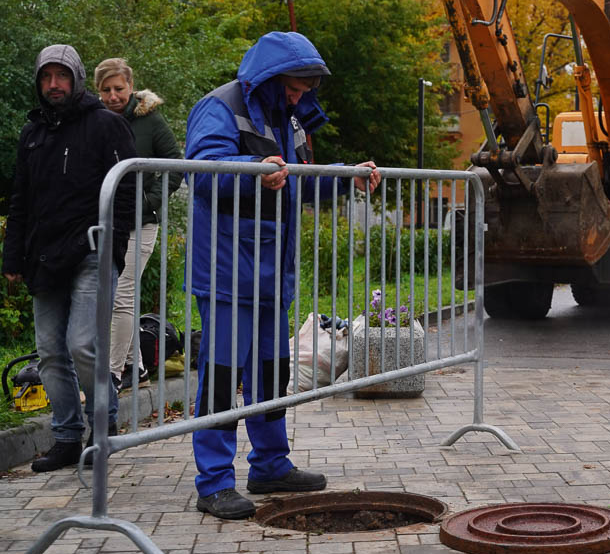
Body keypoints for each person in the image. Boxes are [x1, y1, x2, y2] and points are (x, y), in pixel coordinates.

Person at [185, 31, 380, 520]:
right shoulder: (220, 107)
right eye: (293, 88)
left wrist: (346, 175)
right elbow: (203, 173)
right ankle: (214, 481)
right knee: (222, 376)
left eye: (303, 90)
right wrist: (254, 168)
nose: (299, 97)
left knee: (271, 375)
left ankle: (270, 464)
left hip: (272, 275)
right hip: (228, 270)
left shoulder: (284, 116)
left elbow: (297, 182)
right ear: (270, 78)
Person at [2, 45, 135, 472]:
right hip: (43, 256)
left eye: (61, 76)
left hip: (91, 253)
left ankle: (103, 429)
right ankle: (65, 437)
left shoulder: (106, 126)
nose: (54, 85)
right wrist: (12, 258)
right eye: (46, 77)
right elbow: (20, 199)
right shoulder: (33, 133)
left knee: (83, 345)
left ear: (76, 79)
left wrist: (113, 247)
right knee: (49, 353)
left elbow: (127, 193)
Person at [94, 58, 184, 391]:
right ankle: (139, 368)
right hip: (106, 220)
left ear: (131, 87)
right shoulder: (96, 120)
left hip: (141, 223)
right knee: (115, 296)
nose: (113, 95)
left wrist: (149, 201)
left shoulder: (150, 120)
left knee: (121, 296)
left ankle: (112, 375)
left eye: (119, 88)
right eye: (106, 90)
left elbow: (175, 164)